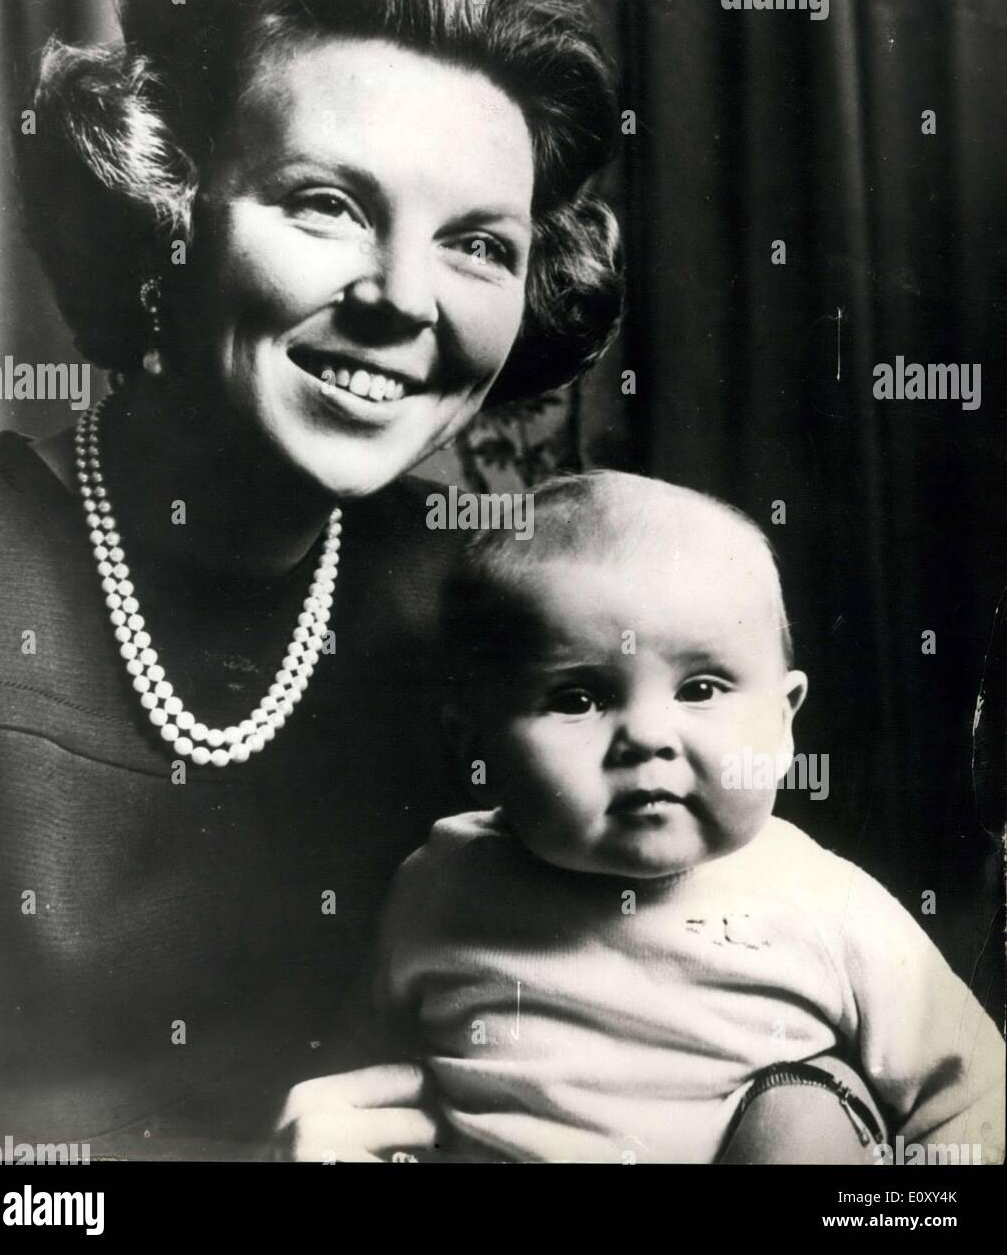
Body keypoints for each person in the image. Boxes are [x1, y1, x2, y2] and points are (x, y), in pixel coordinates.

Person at [0, 0, 622, 1160]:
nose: (403, 299)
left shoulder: (488, 611)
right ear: (164, 204)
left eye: (480, 246)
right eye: (326, 204)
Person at [359, 471, 1006, 1163]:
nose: (648, 736)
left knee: (807, 1121)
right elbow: (362, 1082)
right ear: (476, 745)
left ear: (783, 724)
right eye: (577, 698)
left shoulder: (822, 902)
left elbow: (974, 1095)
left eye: (701, 689)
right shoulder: (441, 885)